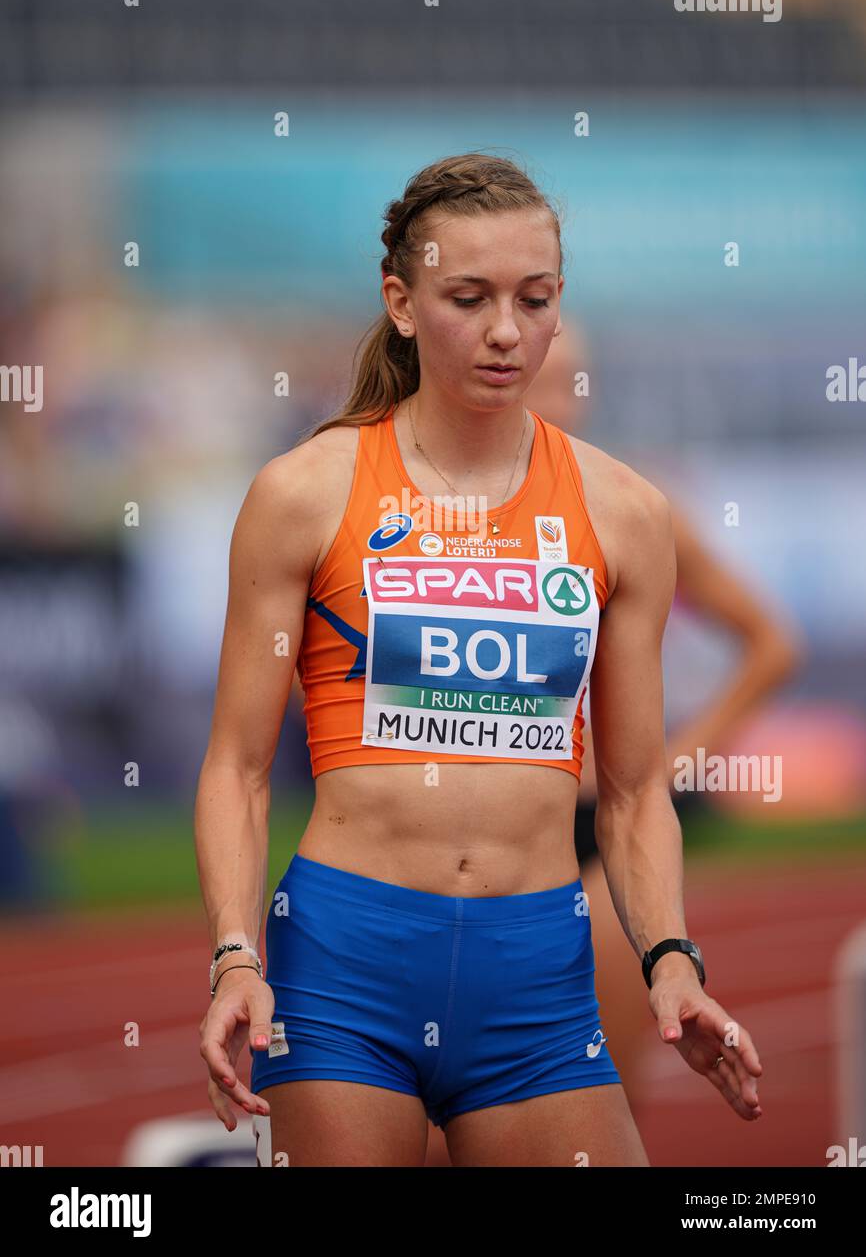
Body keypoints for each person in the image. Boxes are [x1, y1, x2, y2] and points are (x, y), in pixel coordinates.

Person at [195, 152, 762, 1168]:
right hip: (346, 966)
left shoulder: (622, 513)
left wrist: (669, 955)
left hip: (536, 979)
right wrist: (236, 956)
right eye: (470, 297)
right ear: (400, 301)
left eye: (534, 298)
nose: (508, 330)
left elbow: (632, 792)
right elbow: (235, 766)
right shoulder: (304, 493)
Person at [525, 323, 803, 1107]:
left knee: (600, 1096)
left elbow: (771, 643)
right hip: (474, 828)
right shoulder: (439, 511)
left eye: (573, 378)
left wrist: (683, 760)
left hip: (601, 827)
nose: (557, 394)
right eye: (546, 376)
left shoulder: (631, 505)